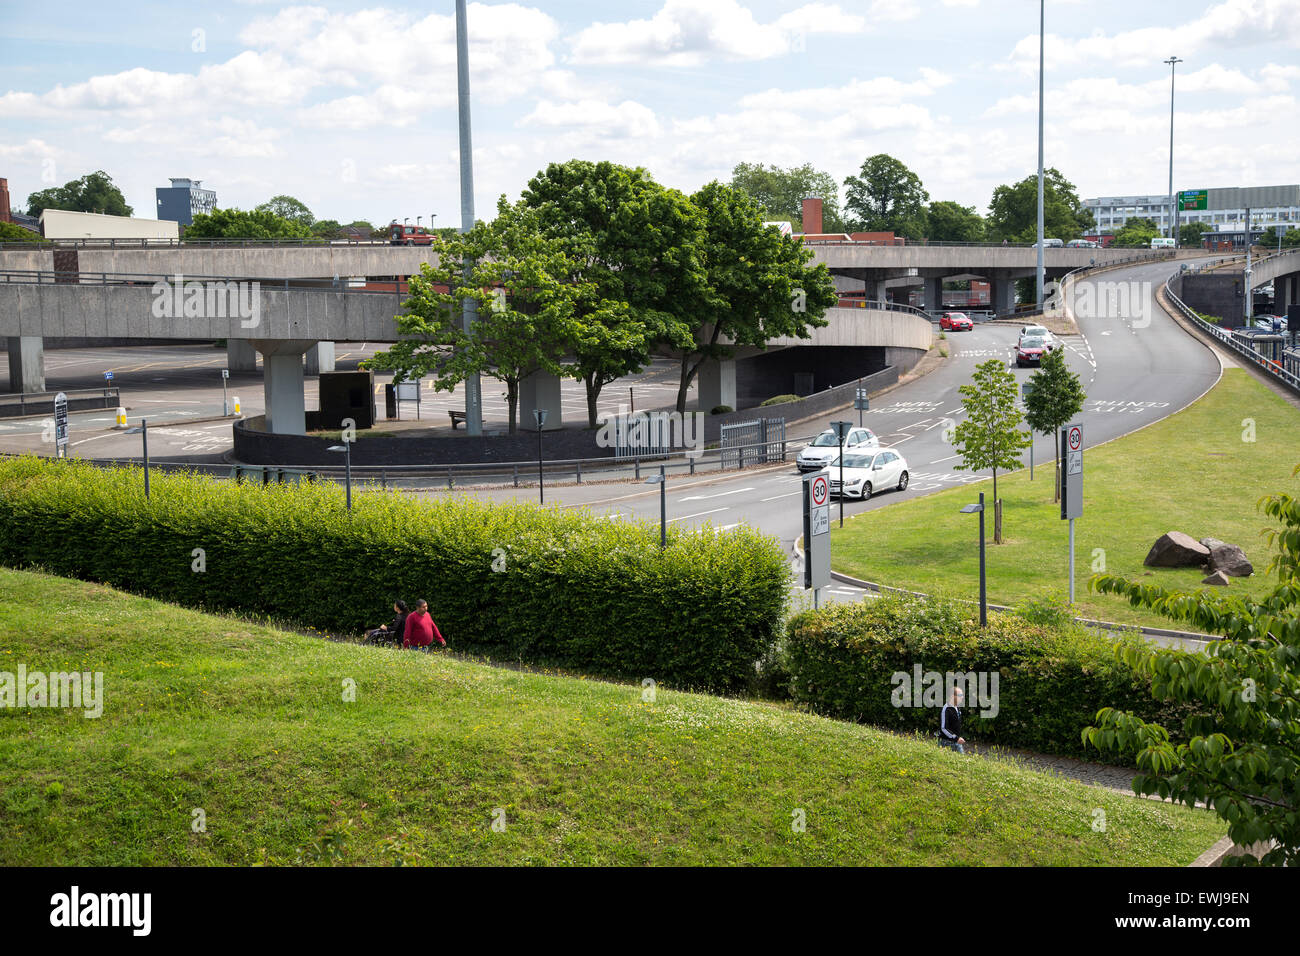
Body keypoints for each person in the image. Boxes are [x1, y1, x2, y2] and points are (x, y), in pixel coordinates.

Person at [938, 685, 966, 754]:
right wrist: (956, 738)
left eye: (962, 695)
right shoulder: (946, 709)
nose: (962, 697)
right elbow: (944, 728)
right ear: (953, 696)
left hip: (956, 741)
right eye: (960, 695)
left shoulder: (957, 708)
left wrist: (957, 738)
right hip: (946, 743)